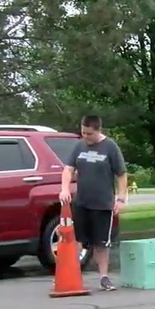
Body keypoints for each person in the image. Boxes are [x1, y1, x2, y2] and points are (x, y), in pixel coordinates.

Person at [59, 115, 127, 291]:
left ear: (98, 130)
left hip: (102, 204)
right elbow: (68, 169)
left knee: (100, 243)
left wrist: (120, 198)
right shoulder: (79, 146)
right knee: (77, 241)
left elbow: (121, 175)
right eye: (83, 132)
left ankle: (104, 277)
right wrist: (65, 189)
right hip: (82, 202)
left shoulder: (110, 147)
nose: (86, 137)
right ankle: (71, 275)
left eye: (89, 133)